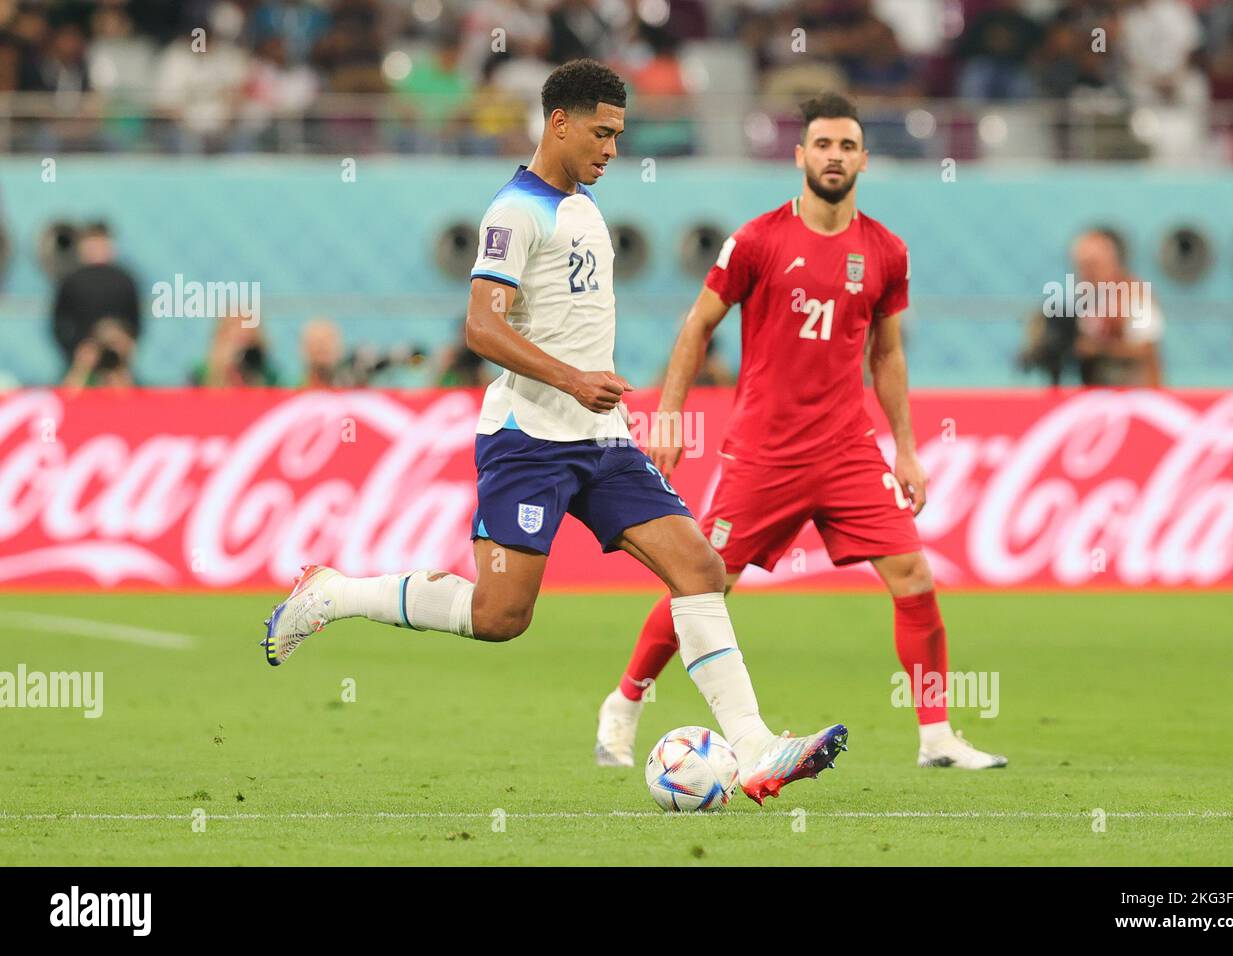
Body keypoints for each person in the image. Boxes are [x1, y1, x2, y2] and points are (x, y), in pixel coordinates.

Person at [260, 60, 847, 806]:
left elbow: (572, 325)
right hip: (527, 440)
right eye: (601, 133)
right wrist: (572, 380)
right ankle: (337, 594)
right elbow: (481, 326)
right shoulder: (515, 211)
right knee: (500, 617)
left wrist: (603, 392)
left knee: (698, 568)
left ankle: (757, 747)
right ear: (559, 123)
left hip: (600, 441)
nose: (611, 148)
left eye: (619, 135)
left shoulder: (586, 209)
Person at [594, 92, 1007, 773]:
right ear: (800, 155)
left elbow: (888, 354)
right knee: (702, 583)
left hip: (848, 449)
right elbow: (698, 324)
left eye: (847, 146)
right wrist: (669, 412)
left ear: (864, 159)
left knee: (913, 576)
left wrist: (904, 448)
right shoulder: (758, 240)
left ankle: (936, 735)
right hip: (765, 451)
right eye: (823, 145)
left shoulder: (885, 251)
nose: (834, 157)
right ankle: (626, 701)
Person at [1071, 229, 1164, 387]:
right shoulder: (1090, 299)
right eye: (1081, 266)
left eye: (1092, 265)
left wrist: (1099, 349)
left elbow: (1146, 348)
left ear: (1111, 261)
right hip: (1102, 397)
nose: (1087, 272)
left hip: (1137, 396)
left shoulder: (1134, 294)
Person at [51, 222, 141, 370]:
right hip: (82, 354)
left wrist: (124, 342)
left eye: (101, 244)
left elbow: (134, 320)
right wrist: (76, 349)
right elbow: (59, 322)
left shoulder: (124, 280)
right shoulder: (71, 281)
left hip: (118, 356)